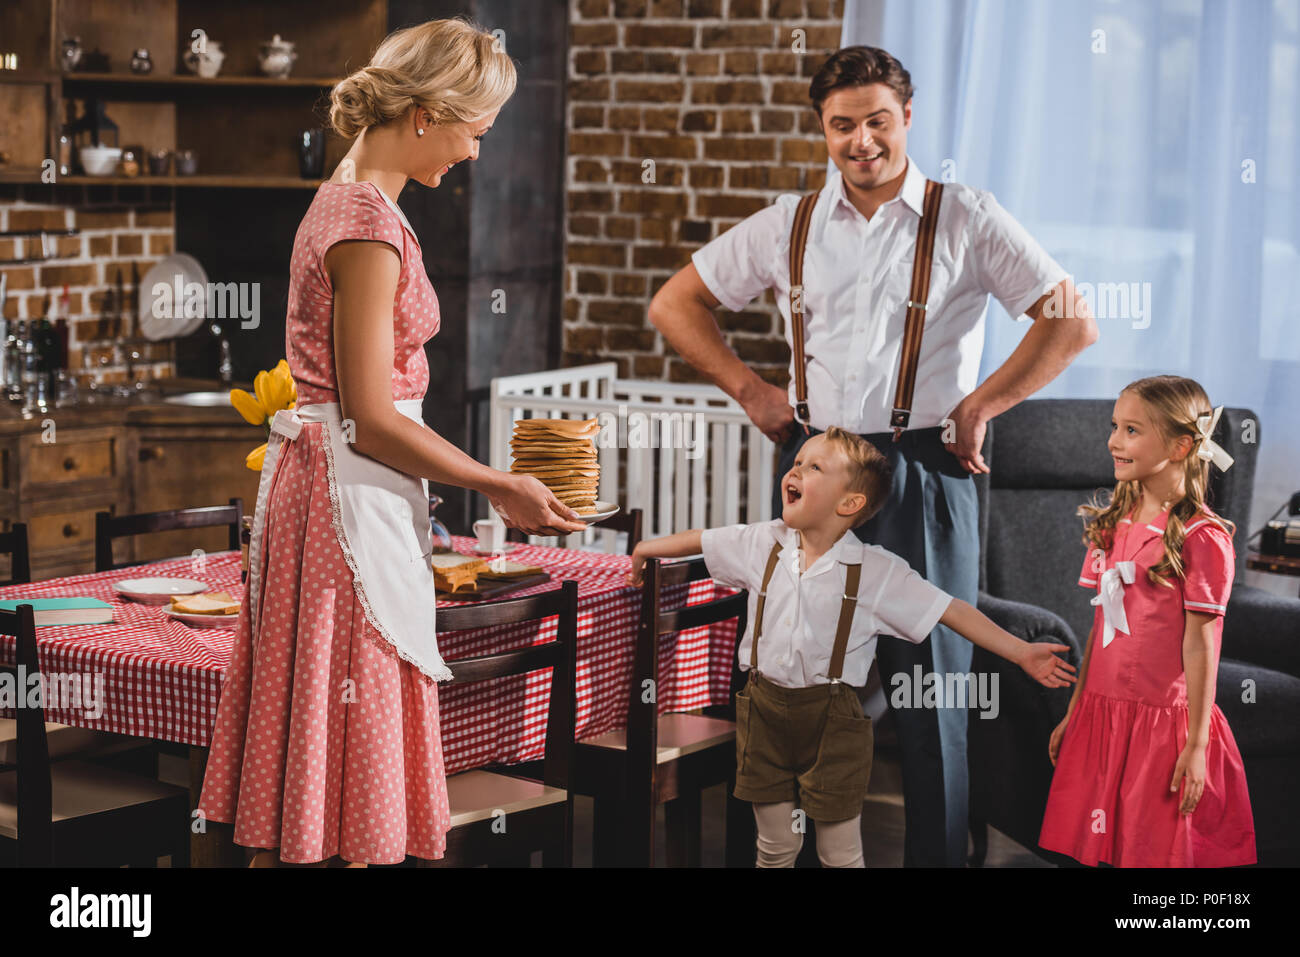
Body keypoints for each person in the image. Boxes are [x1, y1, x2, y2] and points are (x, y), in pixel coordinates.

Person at [648, 45, 1098, 867]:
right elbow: (676, 305)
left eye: (877, 121)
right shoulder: (789, 223)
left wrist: (982, 403)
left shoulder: (965, 214)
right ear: (822, 128)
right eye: (842, 124)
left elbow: (1071, 319)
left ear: (908, 118)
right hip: (813, 462)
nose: (862, 141)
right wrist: (752, 392)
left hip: (922, 468)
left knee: (932, 693)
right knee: (796, 678)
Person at [196, 18, 586, 868]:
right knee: (351, 759)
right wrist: (498, 483)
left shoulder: (345, 199)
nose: (477, 154)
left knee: (318, 775)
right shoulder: (367, 226)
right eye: (474, 132)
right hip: (345, 502)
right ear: (425, 114)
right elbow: (372, 415)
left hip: (334, 490)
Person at [627, 427, 1076, 867]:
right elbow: (704, 539)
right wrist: (648, 548)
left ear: (849, 503)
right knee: (775, 846)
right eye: (797, 462)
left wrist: (1020, 651)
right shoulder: (761, 543)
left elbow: (950, 610)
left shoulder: (877, 572)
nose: (795, 471)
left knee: (838, 852)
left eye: (814, 466)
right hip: (761, 714)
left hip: (833, 725)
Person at [1038, 376, 1256, 867]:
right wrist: (1076, 711)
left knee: (1151, 849)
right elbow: (1101, 626)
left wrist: (1197, 744)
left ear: (1182, 446)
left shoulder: (1204, 538)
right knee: (1100, 844)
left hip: (1163, 725)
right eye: (1115, 426)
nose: (1114, 440)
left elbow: (1203, 645)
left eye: (1132, 430)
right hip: (1103, 712)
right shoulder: (1113, 523)